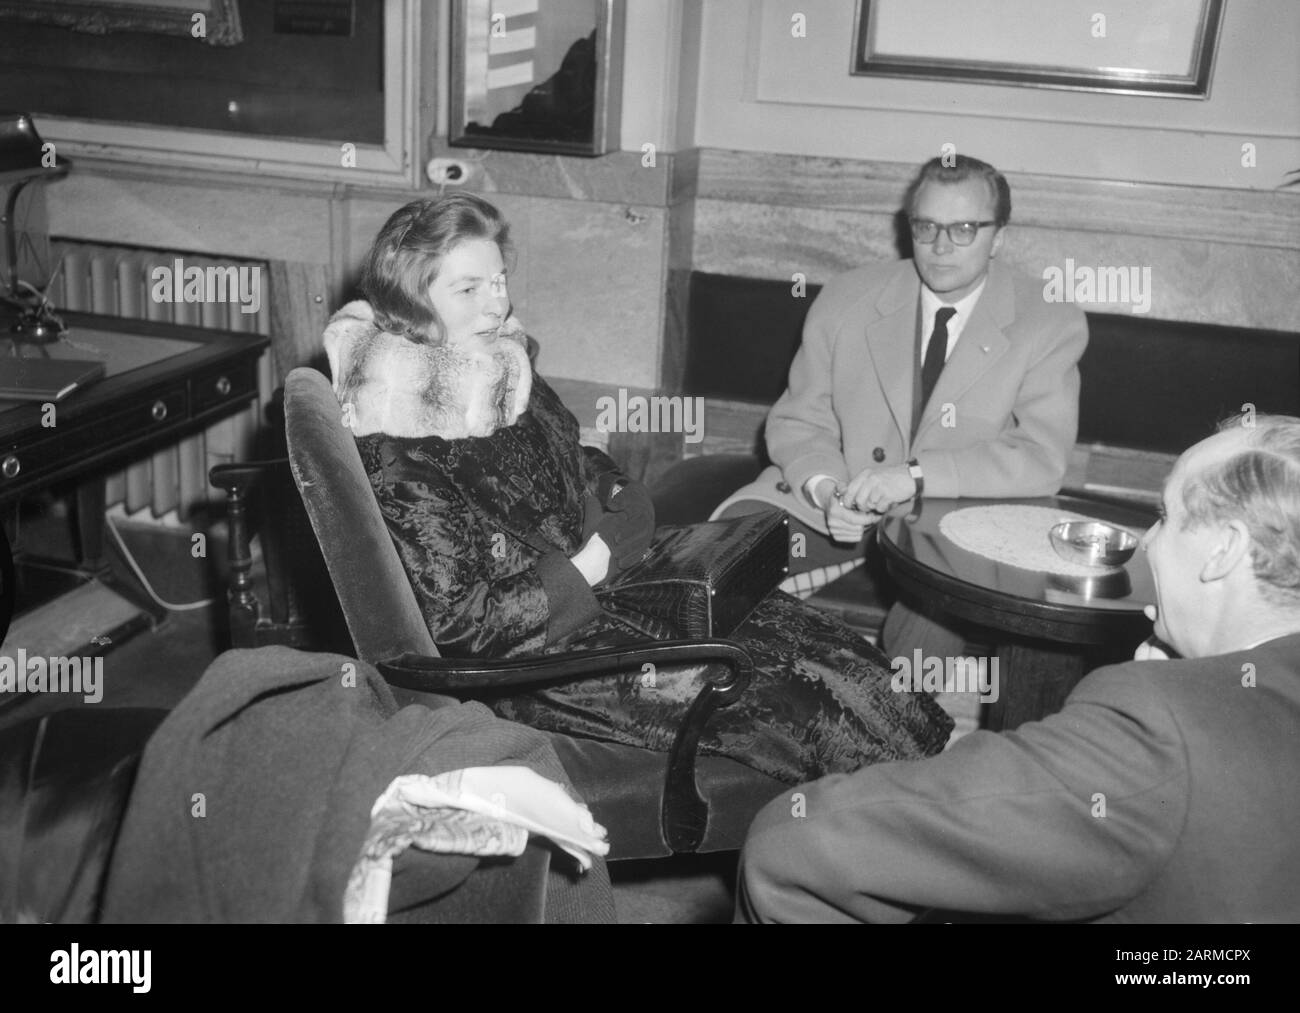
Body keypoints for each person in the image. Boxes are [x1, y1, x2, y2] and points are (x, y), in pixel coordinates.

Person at [323, 192, 951, 788]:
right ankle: (880, 839)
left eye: (499, 281)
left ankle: (926, 811)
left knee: (836, 652)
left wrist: (620, 492)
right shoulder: (400, 443)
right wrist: (588, 566)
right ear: (411, 303)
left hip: (609, 597)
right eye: (468, 289)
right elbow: (463, 626)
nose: (496, 304)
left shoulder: (494, 365)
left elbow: (571, 452)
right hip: (540, 661)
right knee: (803, 700)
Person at [736, 414, 1300, 923]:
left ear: (1225, 550)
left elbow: (796, 844)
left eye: (1166, 517)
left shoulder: (1159, 726)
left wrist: (1168, 691)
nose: (1147, 543)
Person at [713, 154, 1089, 673]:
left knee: (932, 622)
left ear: (998, 237)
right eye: (927, 226)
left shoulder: (1048, 321)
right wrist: (828, 490)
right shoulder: (848, 298)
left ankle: (888, 734)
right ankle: (750, 712)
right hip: (832, 501)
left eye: (963, 229)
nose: (940, 246)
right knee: (720, 562)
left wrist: (912, 478)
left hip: (948, 527)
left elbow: (1040, 458)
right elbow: (800, 421)